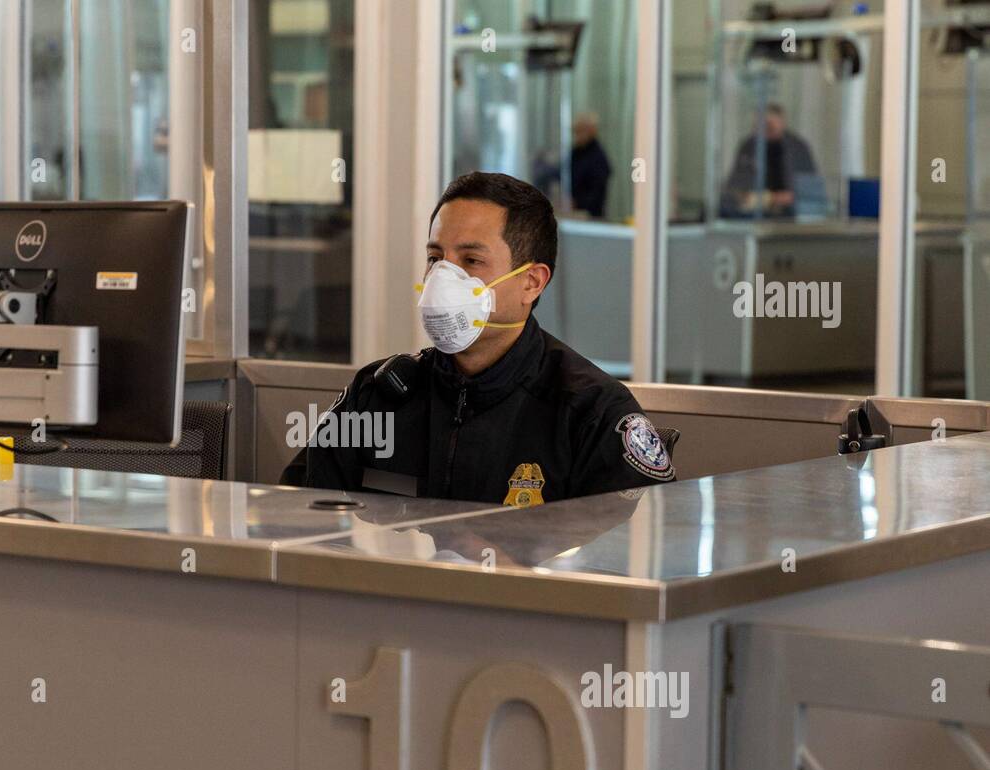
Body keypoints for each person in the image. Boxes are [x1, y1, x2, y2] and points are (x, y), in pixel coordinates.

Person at [280, 171, 675, 506]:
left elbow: (636, 557)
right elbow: (299, 516)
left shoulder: (589, 412)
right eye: (436, 258)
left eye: (471, 261)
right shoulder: (379, 395)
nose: (442, 279)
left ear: (531, 282)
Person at [722, 104, 818, 217]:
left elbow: (809, 191)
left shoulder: (797, 147)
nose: (763, 131)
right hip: (750, 215)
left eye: (769, 126)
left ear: (782, 123)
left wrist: (775, 198)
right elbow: (734, 187)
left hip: (789, 216)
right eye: (757, 126)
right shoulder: (748, 146)